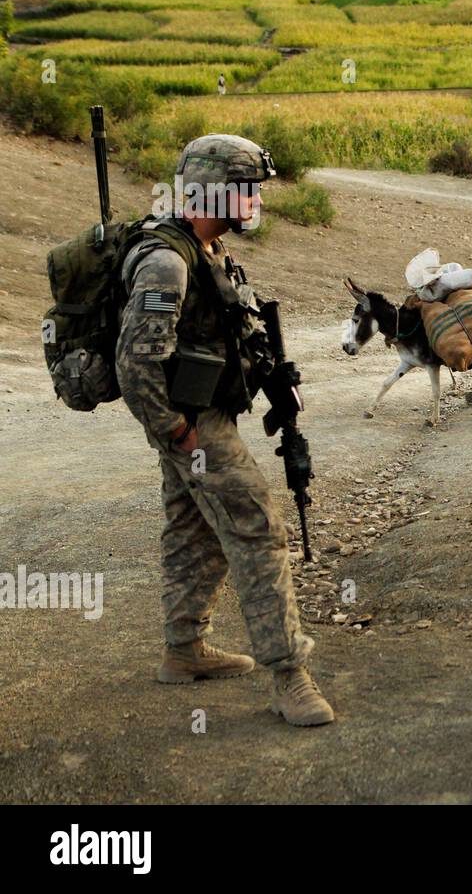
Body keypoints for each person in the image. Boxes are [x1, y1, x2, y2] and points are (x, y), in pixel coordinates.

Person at [116, 134, 333, 727]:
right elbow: (134, 363)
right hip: (195, 424)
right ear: (215, 190)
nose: (258, 201)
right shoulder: (166, 260)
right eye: (249, 190)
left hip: (202, 414)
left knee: (193, 530)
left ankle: (183, 650)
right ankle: (290, 677)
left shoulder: (205, 249)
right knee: (258, 529)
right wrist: (179, 434)